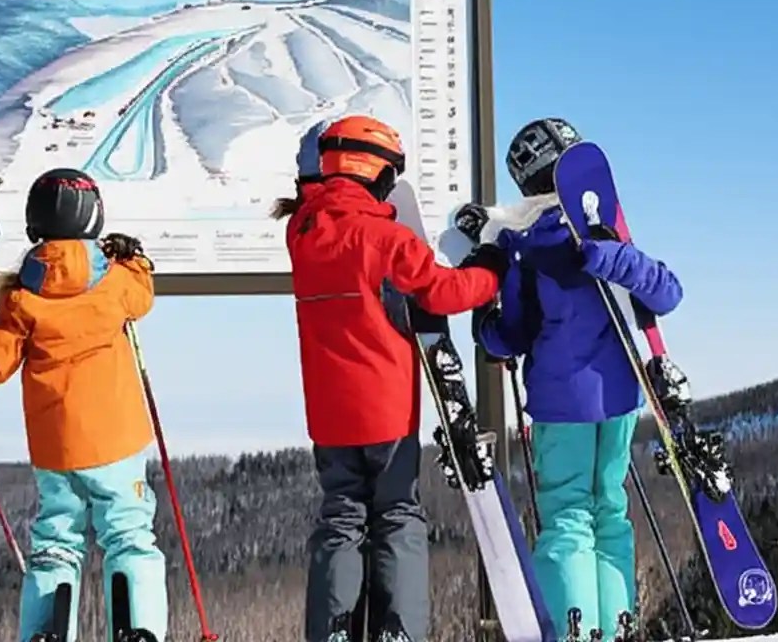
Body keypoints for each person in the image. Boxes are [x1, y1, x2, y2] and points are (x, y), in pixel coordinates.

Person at [273, 115, 507, 642]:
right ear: (375, 169)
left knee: (341, 519)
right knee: (398, 515)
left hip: (329, 417)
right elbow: (442, 293)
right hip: (388, 414)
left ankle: (333, 630)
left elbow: (313, 198)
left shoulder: (302, 231)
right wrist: (490, 268)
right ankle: (398, 631)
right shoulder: (385, 238)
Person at [465, 117, 683, 638]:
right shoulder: (606, 235)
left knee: (567, 517)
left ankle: (574, 629)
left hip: (561, 404)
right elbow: (667, 294)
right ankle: (616, 624)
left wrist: (484, 324)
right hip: (620, 399)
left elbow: (512, 335)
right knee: (610, 512)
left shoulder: (529, 246)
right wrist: (617, 259)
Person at [0, 168, 166, 642]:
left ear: (35, 224)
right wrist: (134, 258)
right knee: (130, 537)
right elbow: (144, 294)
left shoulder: (21, 297)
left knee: (55, 543)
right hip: (117, 441)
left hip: (56, 449)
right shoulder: (115, 282)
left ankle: (45, 632)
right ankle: (140, 629)